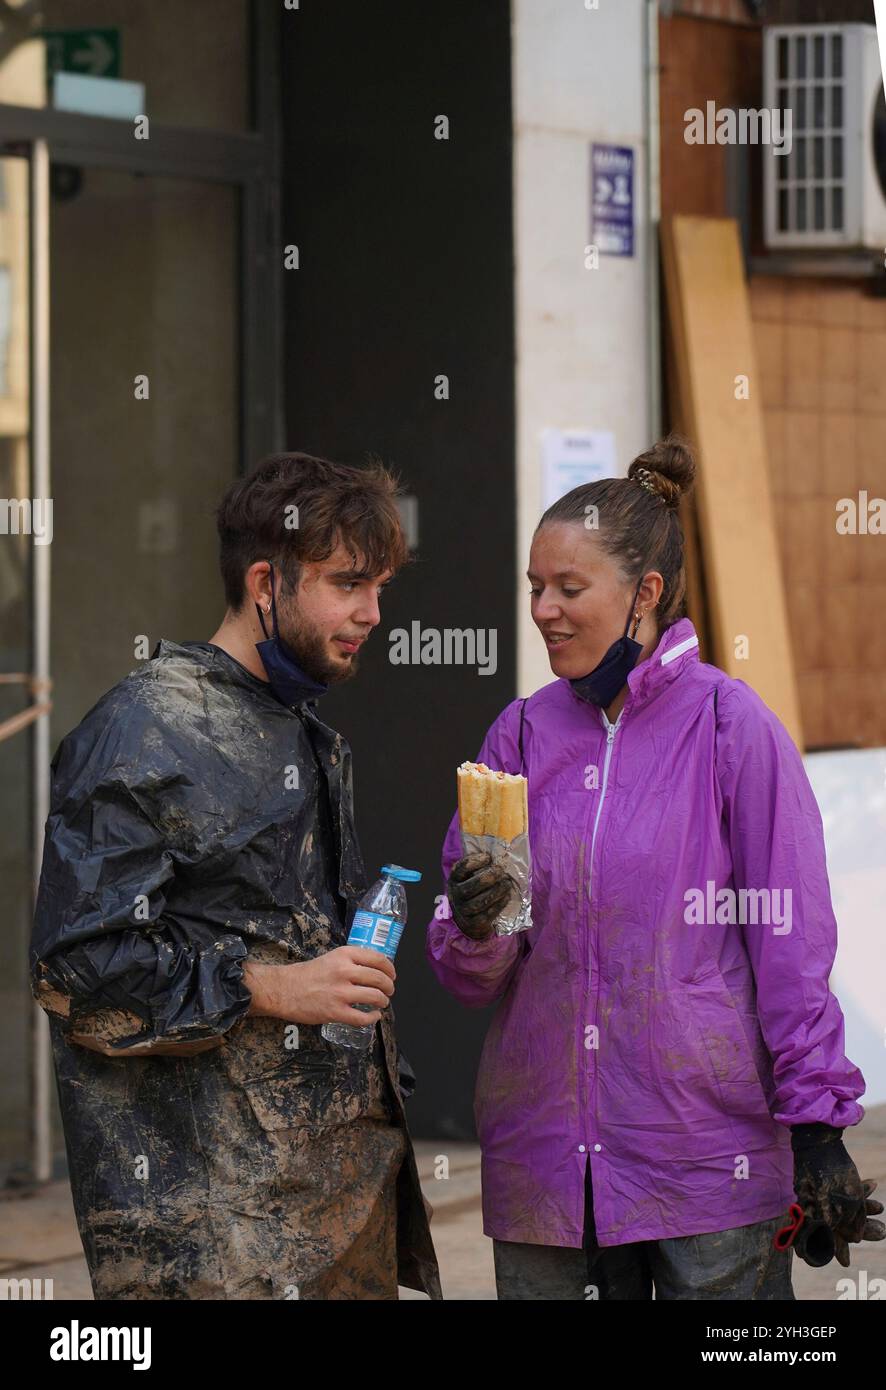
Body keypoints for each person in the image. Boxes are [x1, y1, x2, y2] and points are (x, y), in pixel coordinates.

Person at [427, 435, 883, 1300]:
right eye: (535, 588)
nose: (544, 610)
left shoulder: (729, 727)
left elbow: (790, 943)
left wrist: (819, 1128)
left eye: (569, 588)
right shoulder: (518, 738)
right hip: (546, 1169)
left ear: (645, 594)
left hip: (706, 1164)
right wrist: (477, 923)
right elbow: (469, 968)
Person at [31, 451, 441, 1301]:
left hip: (335, 1210)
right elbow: (75, 973)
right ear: (266, 579)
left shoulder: (308, 733)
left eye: (381, 588)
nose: (372, 613)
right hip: (207, 1241)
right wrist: (271, 988)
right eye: (348, 584)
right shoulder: (145, 730)